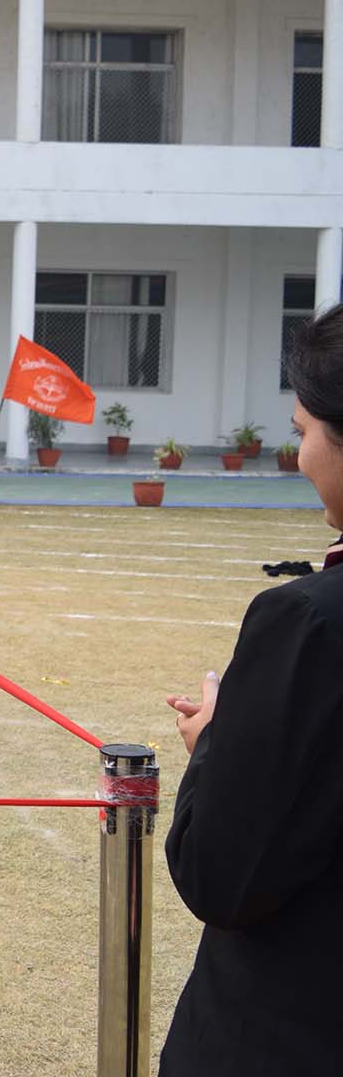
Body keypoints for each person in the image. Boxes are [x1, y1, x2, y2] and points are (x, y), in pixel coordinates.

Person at [158, 305, 343, 1075]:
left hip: (292, 1022)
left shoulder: (306, 622)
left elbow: (223, 876)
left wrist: (214, 749)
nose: (298, 456)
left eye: (303, 430)